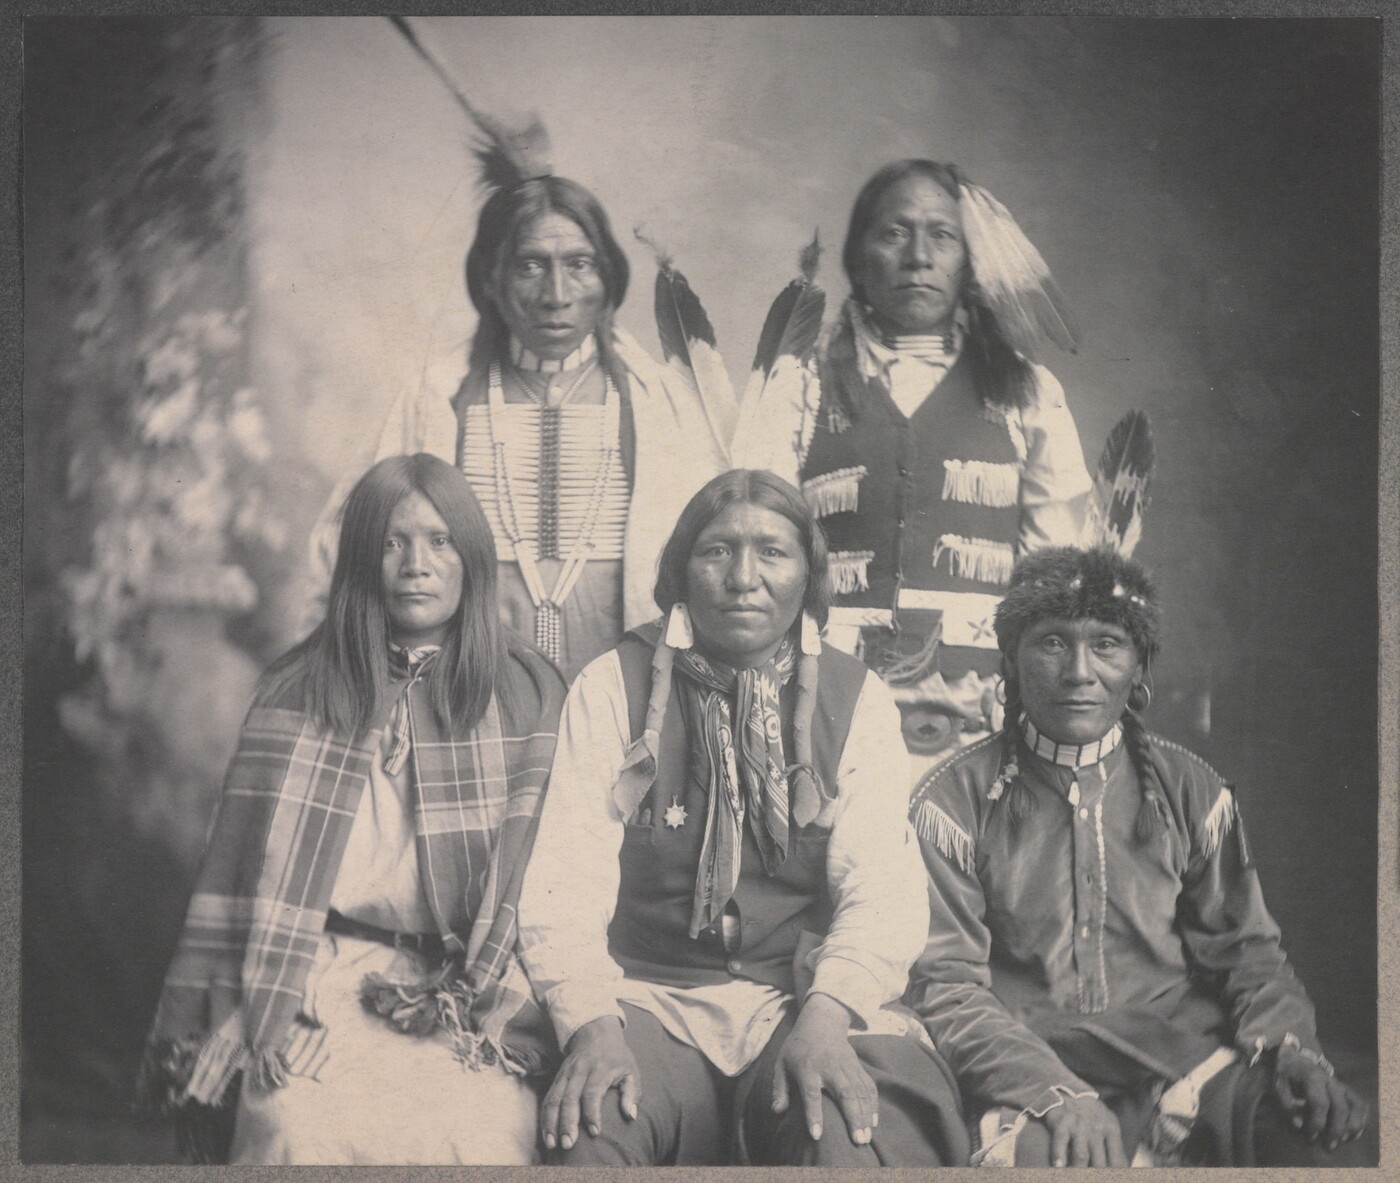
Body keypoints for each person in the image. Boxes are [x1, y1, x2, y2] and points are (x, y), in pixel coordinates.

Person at [516, 469, 970, 1167]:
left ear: (809, 577)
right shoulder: (613, 683)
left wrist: (825, 1017)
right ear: (680, 571)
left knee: (847, 1137)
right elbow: (562, 882)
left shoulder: (856, 698)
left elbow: (880, 891)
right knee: (591, 1131)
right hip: (644, 997)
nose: (743, 578)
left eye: (773, 553)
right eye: (718, 551)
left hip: (795, 996)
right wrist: (592, 1025)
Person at [141, 454, 567, 1164]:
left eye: (439, 541)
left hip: (469, 992)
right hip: (319, 976)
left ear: (473, 558)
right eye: (393, 541)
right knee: (298, 1133)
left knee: (479, 1138)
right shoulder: (296, 692)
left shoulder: (526, 695)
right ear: (362, 560)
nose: (416, 564)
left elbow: (558, 883)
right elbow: (238, 878)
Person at [907, 545, 1374, 1167]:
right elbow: (947, 987)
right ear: (1011, 663)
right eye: (1051, 642)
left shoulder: (1190, 788)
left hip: (1180, 1049)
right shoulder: (952, 801)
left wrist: (1291, 1047)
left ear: (1138, 667)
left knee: (1303, 1141)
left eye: (1106, 644)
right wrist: (1055, 1093)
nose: (1079, 671)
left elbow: (1248, 952)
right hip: (1026, 1057)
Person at [301, 169, 730, 683]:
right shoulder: (435, 400)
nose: (557, 293)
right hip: (466, 698)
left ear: (608, 279)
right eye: (530, 266)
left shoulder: (660, 403)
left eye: (580, 265)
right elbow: (344, 551)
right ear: (491, 278)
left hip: (630, 702)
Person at [734, 159, 1090, 770]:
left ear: (967, 261)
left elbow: (1060, 567)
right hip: (822, 696)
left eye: (942, 236)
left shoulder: (1026, 394)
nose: (918, 256)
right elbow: (751, 541)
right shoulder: (802, 387)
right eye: (894, 233)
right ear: (858, 257)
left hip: (984, 703)